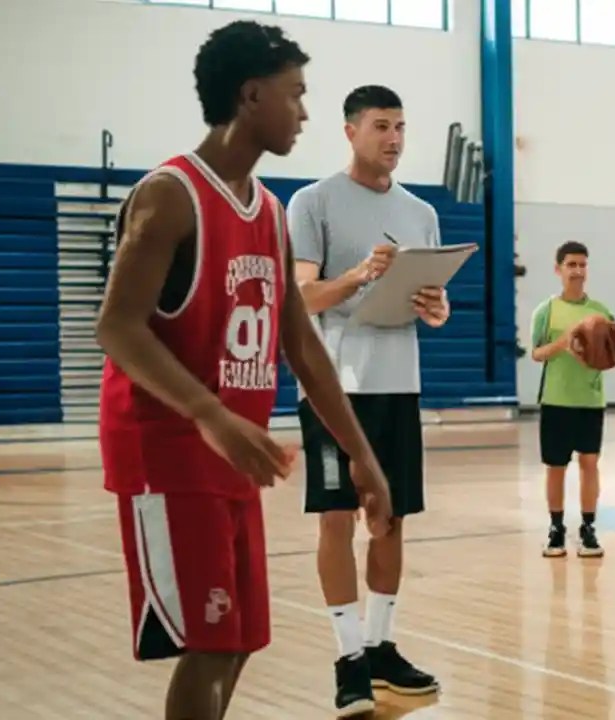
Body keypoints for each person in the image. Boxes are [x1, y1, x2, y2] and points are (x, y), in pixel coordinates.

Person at [96, 21, 392, 720]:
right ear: (252, 95)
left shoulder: (269, 210)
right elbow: (116, 324)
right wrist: (209, 414)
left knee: (238, 639)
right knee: (208, 639)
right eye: (296, 94)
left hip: (231, 450)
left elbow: (305, 346)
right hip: (165, 448)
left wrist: (362, 455)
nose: (305, 111)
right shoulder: (170, 194)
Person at [287, 85, 444, 714]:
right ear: (351, 130)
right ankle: (347, 656)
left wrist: (436, 306)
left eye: (402, 126)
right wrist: (358, 275)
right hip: (334, 388)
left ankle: (380, 645)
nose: (395, 138)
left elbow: (432, 298)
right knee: (336, 518)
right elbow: (301, 297)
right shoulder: (312, 202)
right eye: (382, 125)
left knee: (392, 517)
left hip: (398, 384)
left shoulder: (421, 213)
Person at [529, 240, 614, 558]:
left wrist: (611, 355)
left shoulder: (600, 312)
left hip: (590, 400)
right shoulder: (545, 311)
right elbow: (536, 353)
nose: (578, 270)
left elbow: (613, 349)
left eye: (582, 264)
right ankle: (556, 528)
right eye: (571, 264)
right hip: (556, 400)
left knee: (590, 463)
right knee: (556, 467)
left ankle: (588, 527)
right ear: (558, 269)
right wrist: (564, 343)